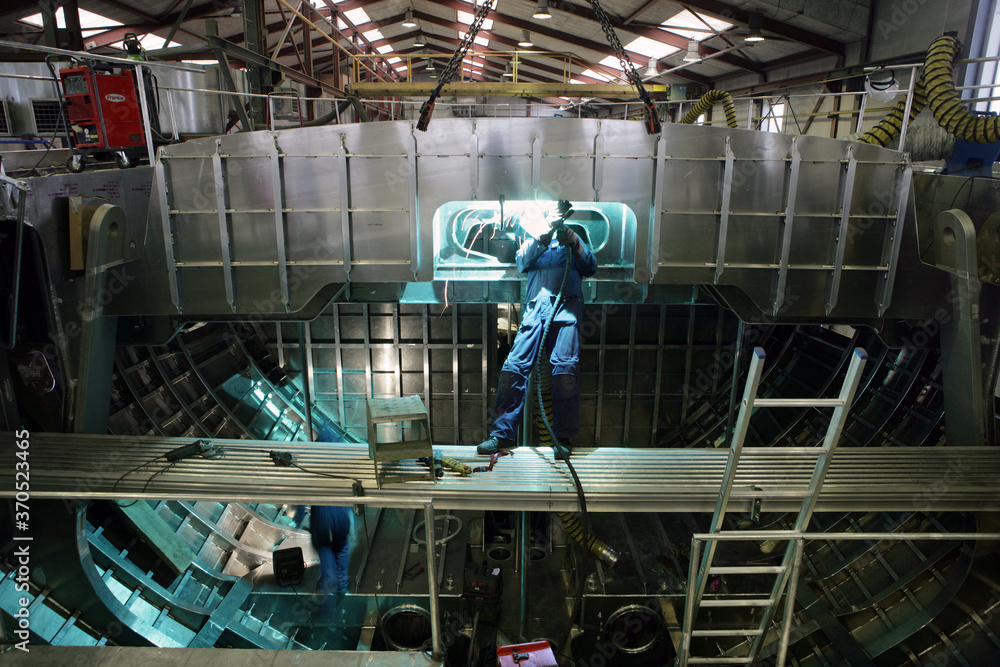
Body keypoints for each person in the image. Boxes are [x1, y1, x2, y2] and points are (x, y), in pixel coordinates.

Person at [477, 202, 597, 455]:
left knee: (565, 373)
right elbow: (522, 261)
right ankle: (501, 435)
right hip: (534, 312)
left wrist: (573, 240)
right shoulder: (533, 241)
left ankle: (562, 438)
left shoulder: (575, 240)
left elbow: (590, 266)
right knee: (513, 370)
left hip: (566, 313)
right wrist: (546, 232)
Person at [309, 505, 352, 604]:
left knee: (324, 548)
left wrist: (300, 515)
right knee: (341, 546)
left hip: (321, 511)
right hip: (341, 510)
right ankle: (341, 586)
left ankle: (328, 589)